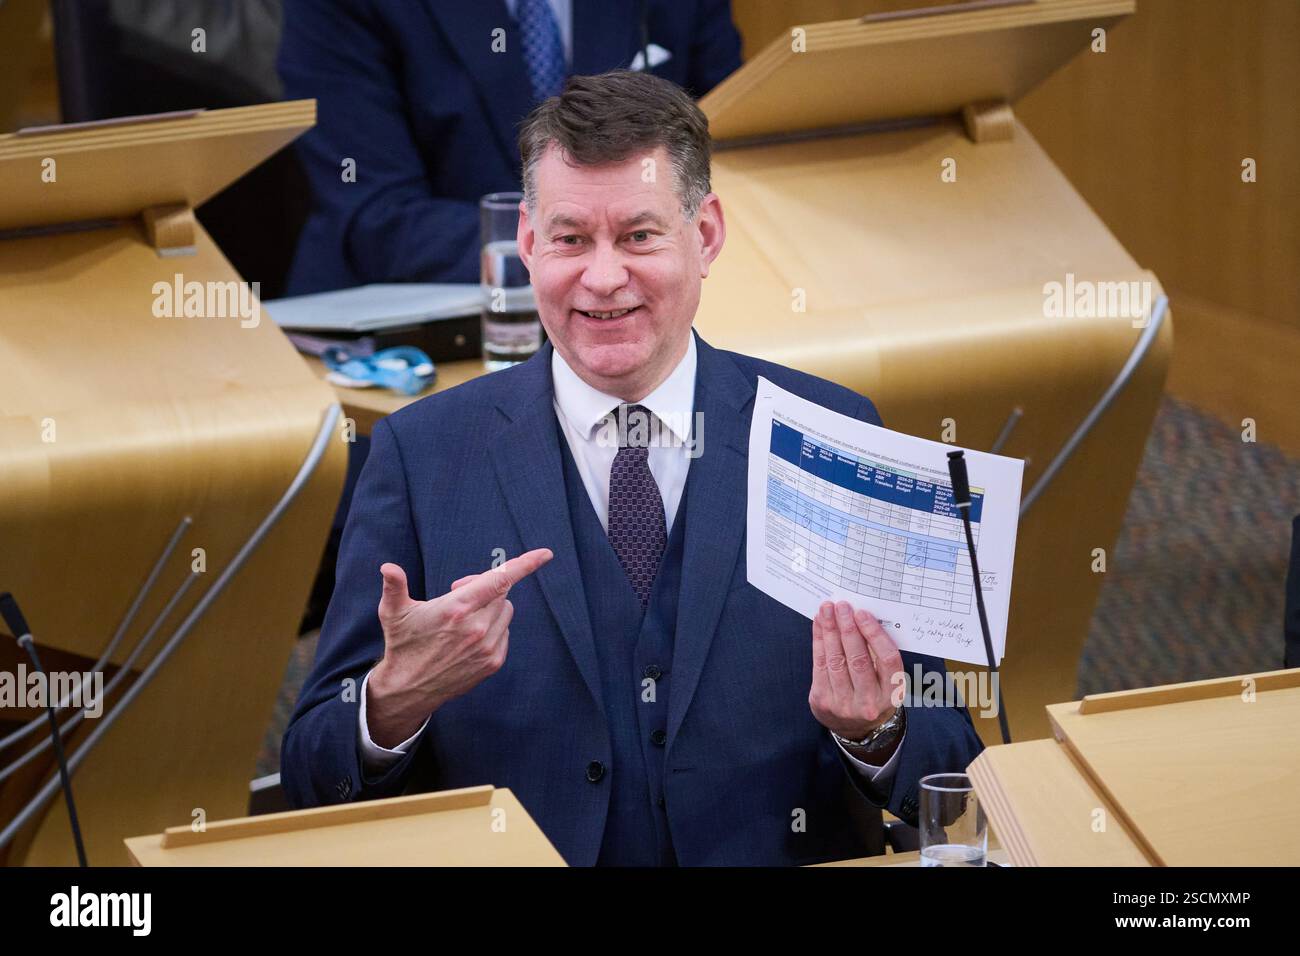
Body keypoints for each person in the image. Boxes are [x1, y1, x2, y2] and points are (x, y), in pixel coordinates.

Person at [282, 71, 984, 866]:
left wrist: (878, 729)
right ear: (529, 240)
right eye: (572, 237)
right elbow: (312, 781)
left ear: (706, 234)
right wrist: (391, 704)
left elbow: (950, 770)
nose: (604, 277)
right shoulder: (417, 456)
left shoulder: (837, 435)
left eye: (640, 236)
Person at [278, 0, 743, 293]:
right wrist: (569, 250)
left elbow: (738, 148)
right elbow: (375, 214)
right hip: (417, 323)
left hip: (649, 314)